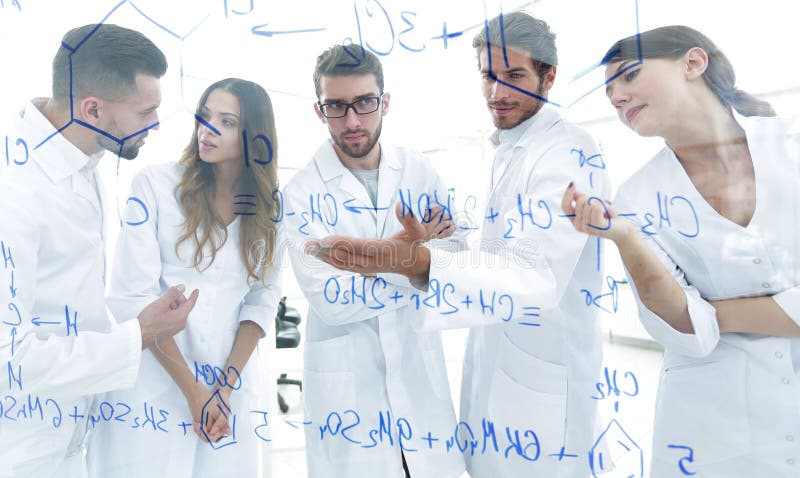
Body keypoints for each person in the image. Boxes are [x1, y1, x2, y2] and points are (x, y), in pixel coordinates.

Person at [307, 12, 610, 478]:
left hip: (545, 390)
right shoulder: (510, 149)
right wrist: (435, 249)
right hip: (499, 377)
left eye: (514, 76)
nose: (497, 92)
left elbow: (537, 274)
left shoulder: (567, 151)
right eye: (488, 75)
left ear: (549, 77)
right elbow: (495, 255)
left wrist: (414, 261)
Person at [563, 25, 799, 476]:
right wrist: (626, 237)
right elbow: (683, 328)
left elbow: (703, 318)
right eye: (609, 94)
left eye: (629, 76)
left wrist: (716, 312)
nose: (616, 98)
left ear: (693, 63)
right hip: (712, 426)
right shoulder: (636, 197)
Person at [0, 24, 198, 477]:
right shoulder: (13, 193)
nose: (155, 123)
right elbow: (8, 360)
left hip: (67, 439)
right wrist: (138, 335)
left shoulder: (81, 157)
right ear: (92, 108)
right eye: (145, 111)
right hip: (18, 452)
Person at [282, 44, 465, 478]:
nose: (352, 121)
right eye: (336, 106)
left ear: (385, 102)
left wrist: (367, 261)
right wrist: (415, 265)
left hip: (419, 382)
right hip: (350, 398)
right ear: (319, 111)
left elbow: (458, 265)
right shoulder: (299, 193)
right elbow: (332, 300)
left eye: (364, 102)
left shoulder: (420, 171)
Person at [87, 78, 283, 477]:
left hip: (229, 391)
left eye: (227, 122)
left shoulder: (270, 208)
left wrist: (222, 390)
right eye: (205, 116)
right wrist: (195, 393)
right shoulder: (155, 185)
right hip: (153, 388)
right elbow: (133, 296)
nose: (208, 129)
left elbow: (261, 301)